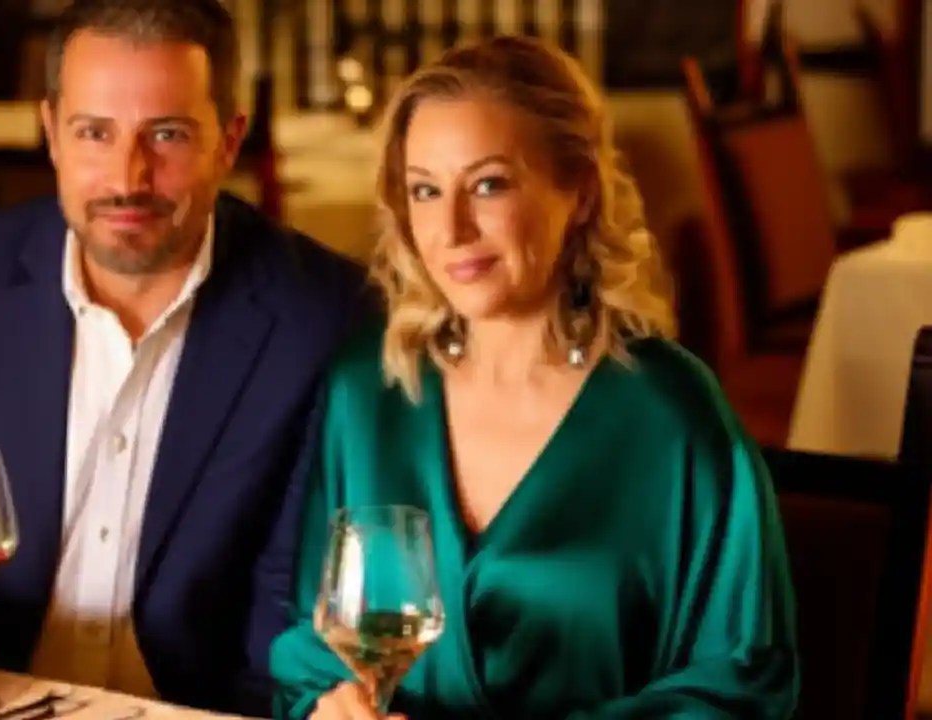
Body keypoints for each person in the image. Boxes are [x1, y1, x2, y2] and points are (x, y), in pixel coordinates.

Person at [0, 0, 368, 715]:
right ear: (51, 132)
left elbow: (295, 595)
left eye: (167, 134)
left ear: (229, 140)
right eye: (94, 133)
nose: (127, 177)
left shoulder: (322, 315)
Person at [269, 36, 799, 720]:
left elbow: (742, 687)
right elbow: (313, 646)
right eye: (425, 190)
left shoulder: (668, 417)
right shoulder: (370, 392)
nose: (452, 229)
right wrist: (329, 705)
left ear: (578, 191)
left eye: (489, 184)